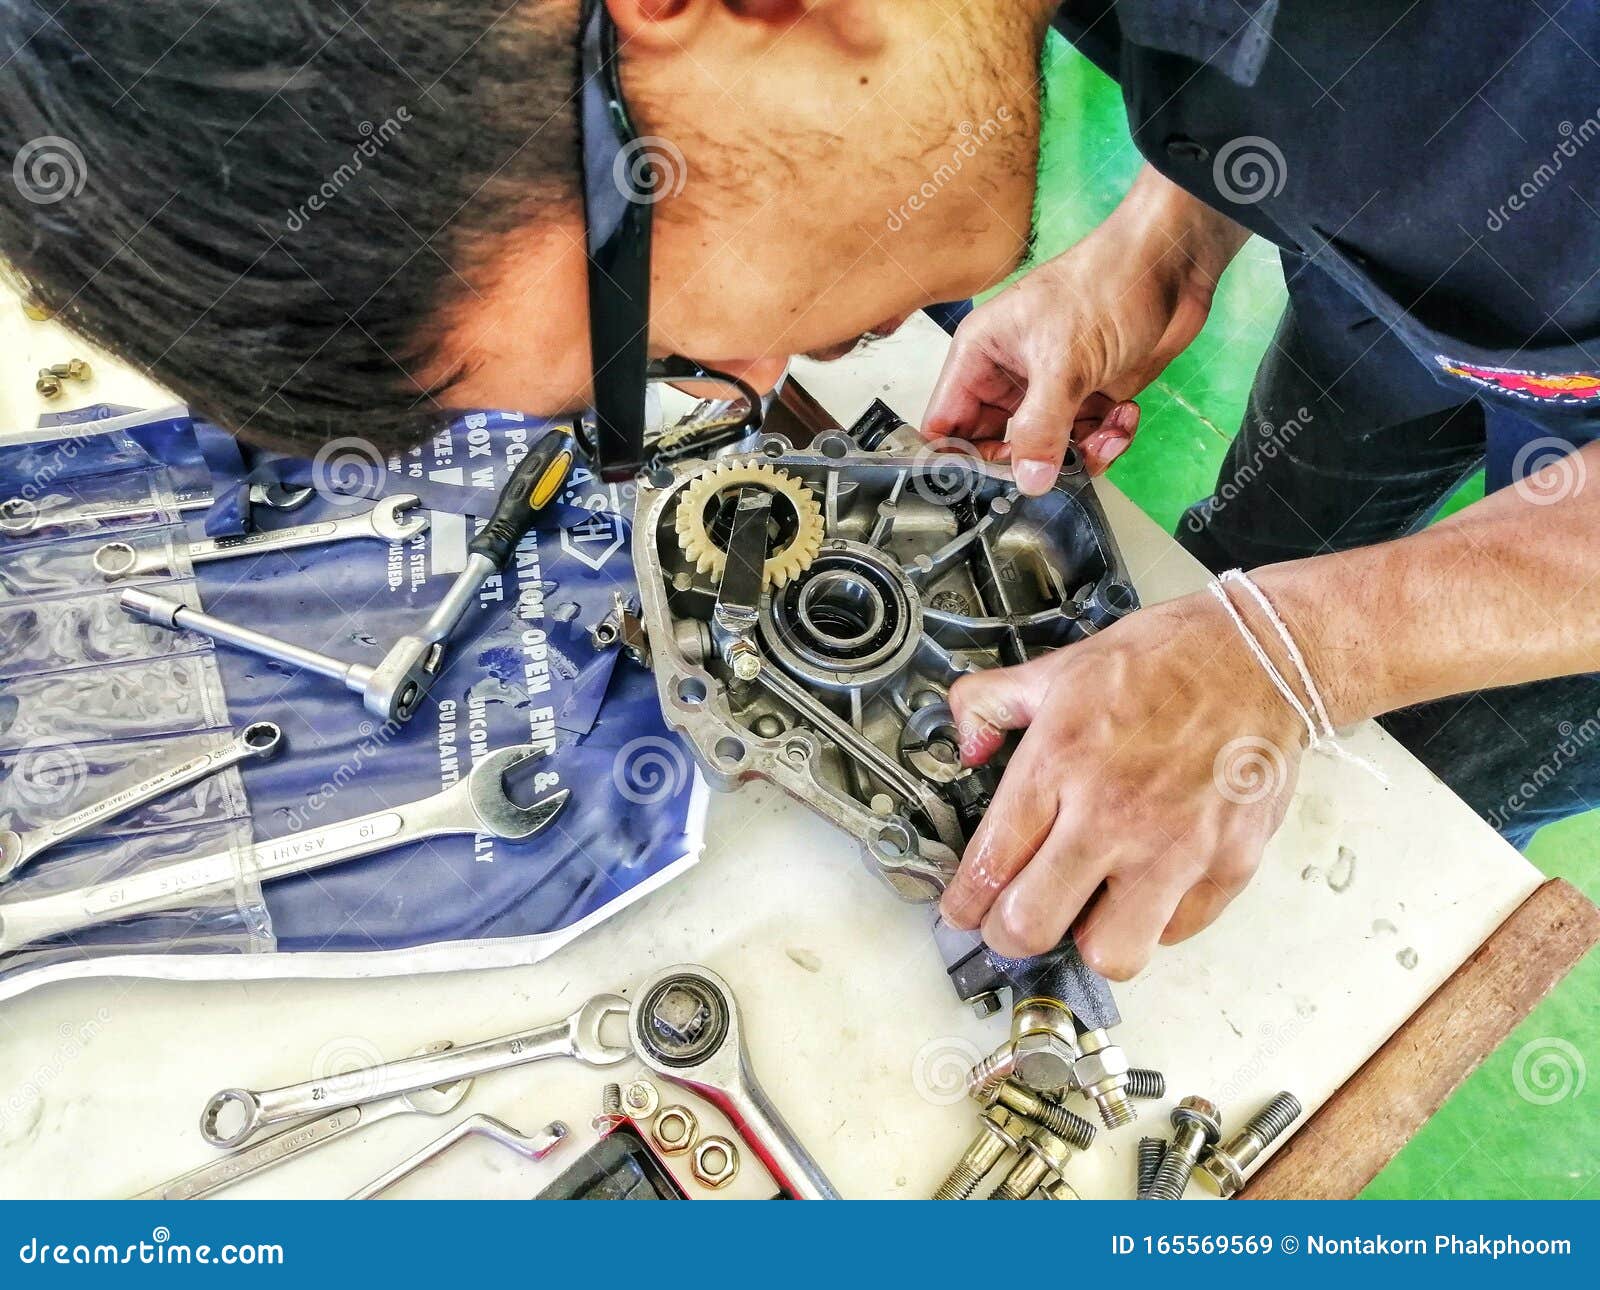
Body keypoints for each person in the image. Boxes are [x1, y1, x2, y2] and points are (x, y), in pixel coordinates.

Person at [2, 2, 1595, 982]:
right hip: (1466, 273)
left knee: (1399, 820)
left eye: (662, 344)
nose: (753, 383)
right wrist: (1170, 230)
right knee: (1269, 515)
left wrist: (1308, 655)